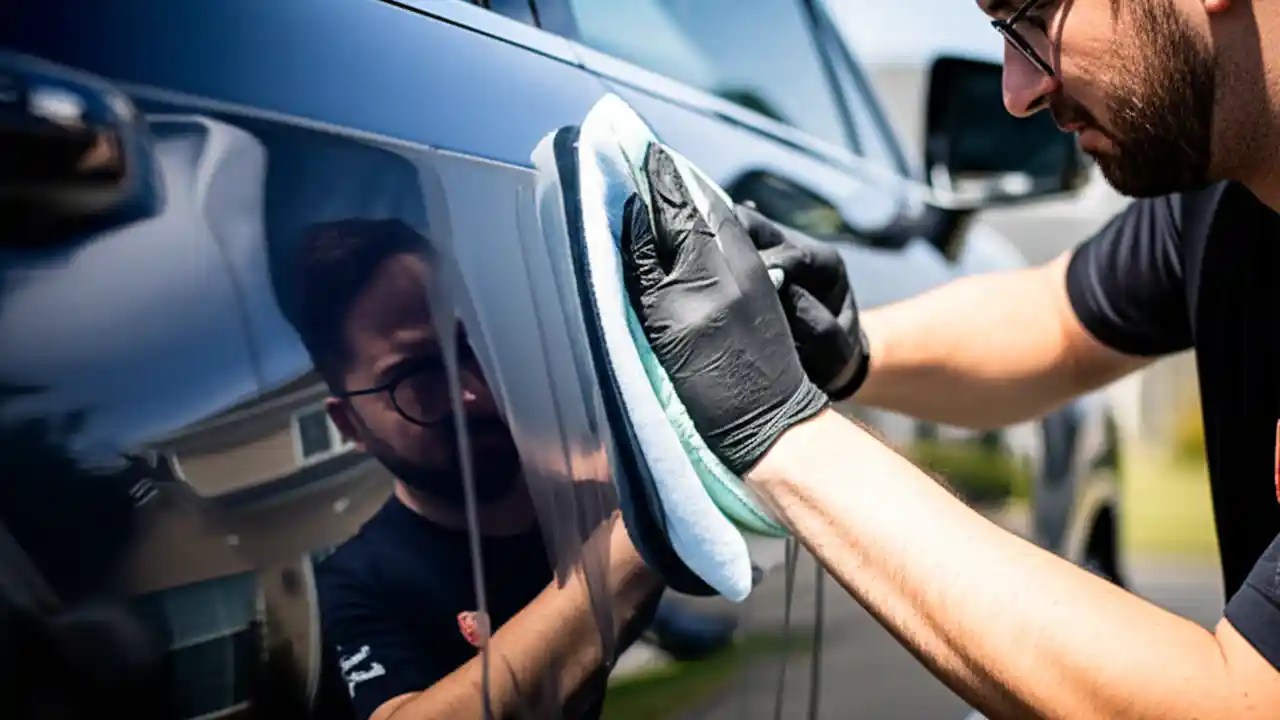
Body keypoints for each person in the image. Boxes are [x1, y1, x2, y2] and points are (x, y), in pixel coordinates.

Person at [619, 0, 1280, 713]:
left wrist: (780, 433)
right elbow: (1057, 323)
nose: (1018, 94)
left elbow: (1236, 699)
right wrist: (847, 349)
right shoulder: (1227, 200)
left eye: (1032, 14)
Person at [283, 218, 662, 720]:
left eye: (473, 348)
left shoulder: (592, 499)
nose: (470, 393)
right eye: (415, 375)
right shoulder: (354, 588)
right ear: (350, 423)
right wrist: (644, 530)